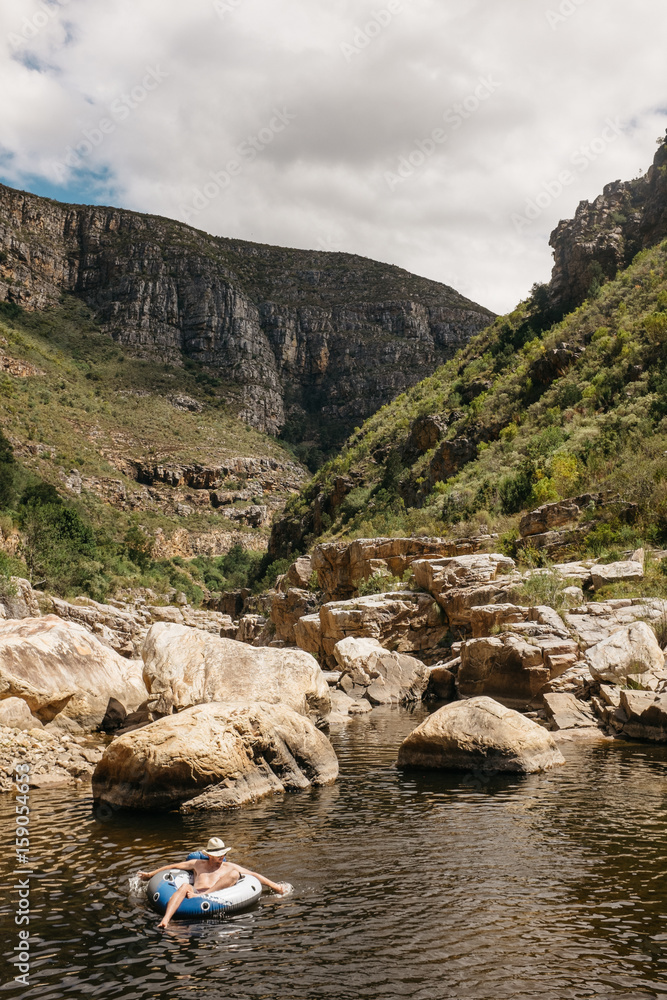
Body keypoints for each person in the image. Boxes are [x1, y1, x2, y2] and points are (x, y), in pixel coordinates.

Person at [138, 837, 285, 929]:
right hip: (195, 892)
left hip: (215, 894)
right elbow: (172, 867)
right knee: (184, 886)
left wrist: (275, 886)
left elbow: (253, 875)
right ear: (208, 855)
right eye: (217, 855)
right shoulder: (197, 863)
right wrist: (150, 875)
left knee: (234, 874)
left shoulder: (229, 867)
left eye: (222, 855)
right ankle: (166, 920)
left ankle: (202, 897)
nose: (221, 857)